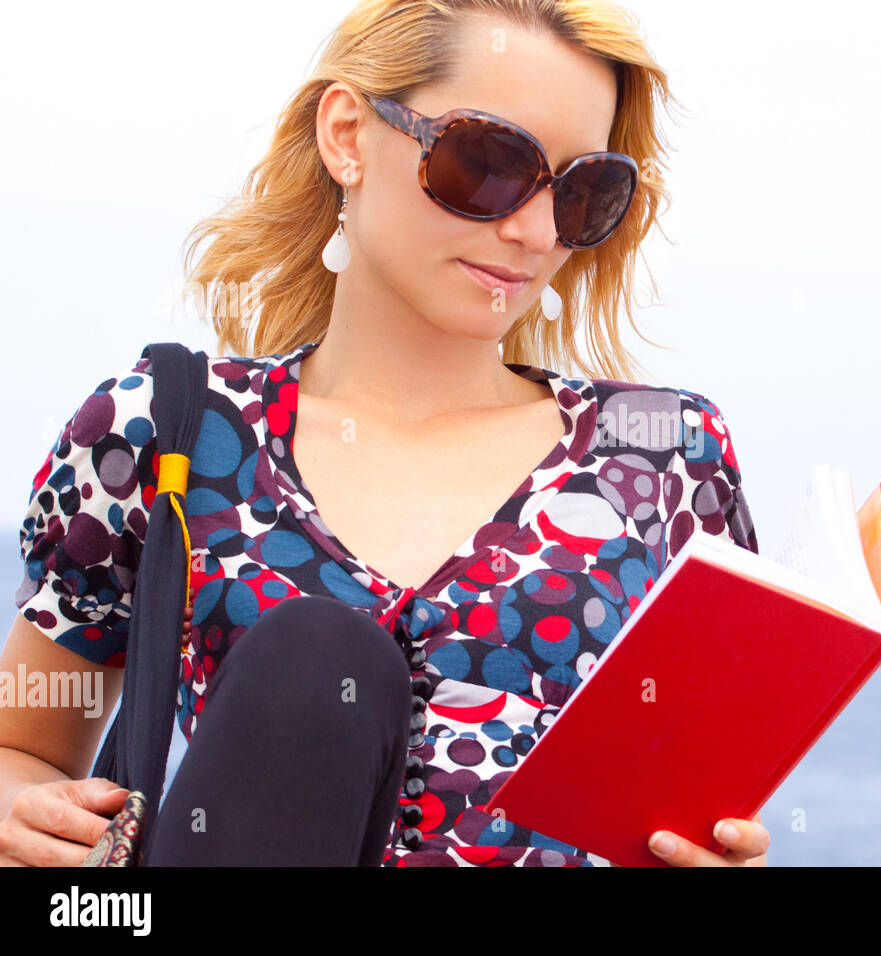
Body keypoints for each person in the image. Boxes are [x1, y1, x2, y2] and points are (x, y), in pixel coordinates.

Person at [0, 0, 768, 867]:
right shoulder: (165, 431)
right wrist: (23, 818)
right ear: (348, 135)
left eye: (583, 191)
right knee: (314, 656)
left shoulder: (665, 458)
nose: (533, 230)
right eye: (489, 161)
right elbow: (20, 747)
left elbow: (700, 810)